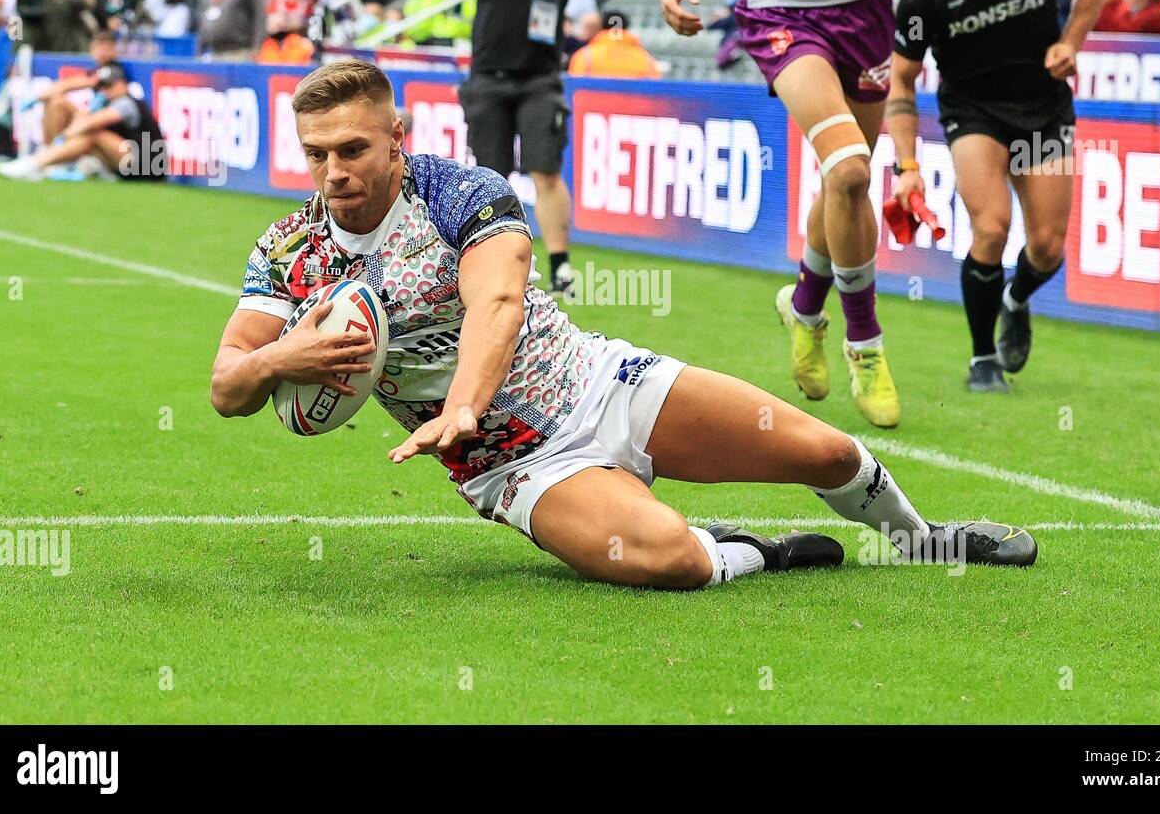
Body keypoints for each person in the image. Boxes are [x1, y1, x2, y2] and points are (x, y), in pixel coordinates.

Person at [209, 59, 1037, 591]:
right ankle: (756, 553)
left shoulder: (461, 191)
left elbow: (497, 300)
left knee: (822, 451)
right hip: (509, 467)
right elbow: (226, 386)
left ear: (398, 137)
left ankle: (926, 539)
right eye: (316, 153)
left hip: (603, 384)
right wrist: (288, 354)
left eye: (352, 148)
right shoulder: (290, 251)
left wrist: (461, 402)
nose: (333, 171)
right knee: (666, 561)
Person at [662, 0, 930, 430]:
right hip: (779, 12)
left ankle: (805, 308)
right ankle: (866, 344)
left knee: (843, 177)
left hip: (862, 12)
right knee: (853, 171)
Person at [887, 0, 1109, 392]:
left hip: (1041, 108)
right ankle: (982, 359)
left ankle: (1016, 298)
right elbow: (900, 83)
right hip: (974, 113)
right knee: (991, 226)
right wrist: (907, 166)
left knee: (1049, 247)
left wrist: (1070, 42)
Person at [447, 0, 589, 297]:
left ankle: (561, 266)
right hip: (488, 71)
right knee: (490, 176)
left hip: (539, 74)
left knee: (546, 170)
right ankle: (491, 259)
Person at [0, 63, 166, 181]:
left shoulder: (126, 102)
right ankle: (49, 162)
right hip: (124, 164)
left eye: (109, 86)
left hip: (148, 166)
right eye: (102, 87)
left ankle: (36, 163)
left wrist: (64, 137)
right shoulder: (106, 101)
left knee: (92, 134)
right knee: (59, 104)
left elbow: (92, 122)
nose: (105, 91)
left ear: (122, 84)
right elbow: (61, 92)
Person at [29, 30, 120, 145]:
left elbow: (78, 84)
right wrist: (38, 97)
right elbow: (67, 84)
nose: (101, 52)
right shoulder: (95, 70)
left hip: (102, 118)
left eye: (105, 48)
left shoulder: (114, 69)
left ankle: (55, 149)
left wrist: (38, 98)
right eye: (98, 48)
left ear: (113, 49)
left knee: (58, 102)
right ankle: (48, 149)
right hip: (89, 114)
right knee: (51, 102)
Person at [567, 9, 661, 78]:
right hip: (633, 105)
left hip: (592, 105)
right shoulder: (646, 59)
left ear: (601, 27)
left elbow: (572, 90)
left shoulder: (585, 56)